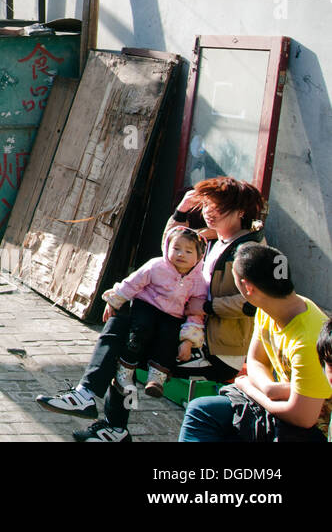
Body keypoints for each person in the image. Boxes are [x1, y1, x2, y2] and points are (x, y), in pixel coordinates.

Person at [35, 176, 267, 442]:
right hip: (191, 329)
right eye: (206, 206)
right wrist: (181, 211)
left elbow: (252, 302)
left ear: (240, 212)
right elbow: (171, 253)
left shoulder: (248, 251)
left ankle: (102, 413)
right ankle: (95, 405)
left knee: (124, 349)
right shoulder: (214, 239)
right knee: (123, 325)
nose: (209, 214)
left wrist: (204, 306)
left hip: (216, 349)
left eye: (218, 209)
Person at [179, 243, 332, 441]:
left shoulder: (308, 339)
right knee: (202, 410)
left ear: (248, 287)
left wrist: (252, 389)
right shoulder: (269, 308)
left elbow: (303, 418)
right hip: (279, 403)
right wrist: (271, 389)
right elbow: (256, 361)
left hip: (306, 429)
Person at [105, 226, 210, 399]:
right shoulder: (156, 266)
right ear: (167, 247)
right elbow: (132, 283)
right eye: (176, 248)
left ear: (199, 257)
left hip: (173, 316)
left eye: (188, 251)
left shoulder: (199, 281)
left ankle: (156, 378)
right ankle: (125, 372)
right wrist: (114, 301)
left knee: (168, 340)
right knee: (139, 332)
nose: (181, 254)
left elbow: (195, 313)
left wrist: (189, 341)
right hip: (147, 305)